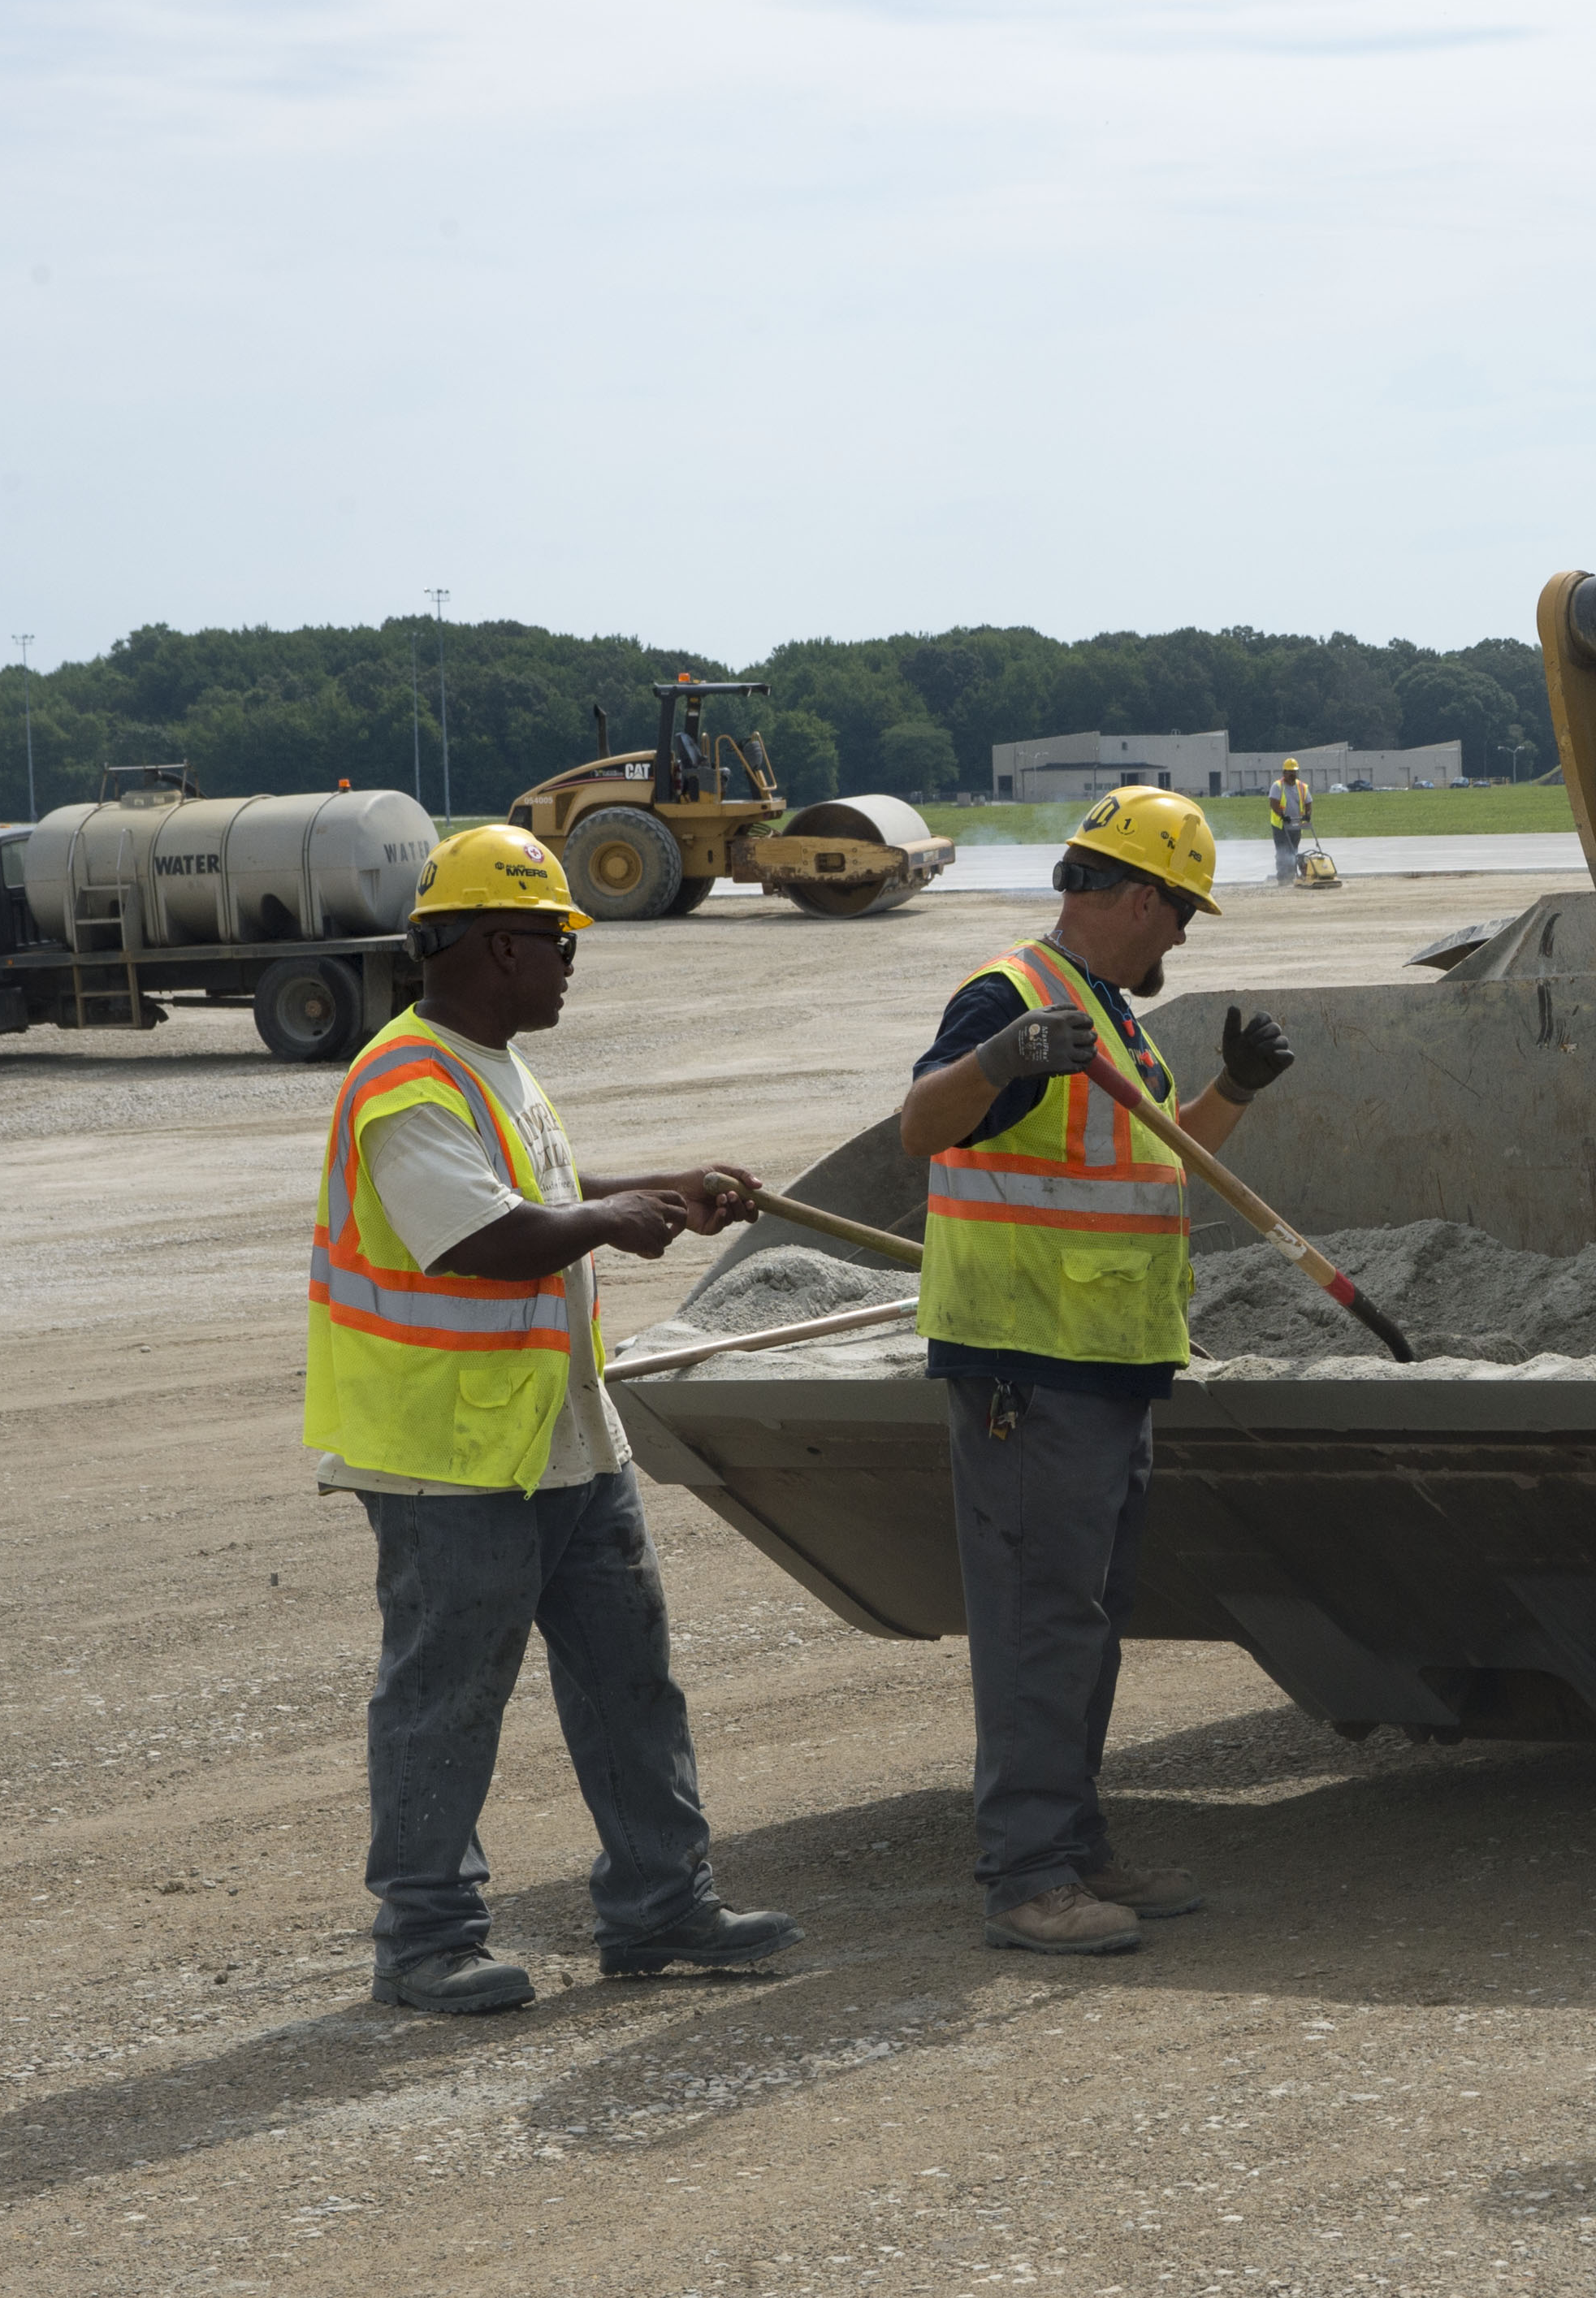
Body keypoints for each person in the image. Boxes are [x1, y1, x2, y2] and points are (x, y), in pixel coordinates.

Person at [305, 824, 801, 2015]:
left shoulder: (493, 1064)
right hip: (451, 1454)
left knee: (632, 1677)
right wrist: (610, 1217)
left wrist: (657, 1190)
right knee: (446, 1695)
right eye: (557, 940)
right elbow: (482, 1238)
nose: (573, 960)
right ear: (492, 945)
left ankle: (660, 1903)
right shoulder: (405, 1079)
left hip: (560, 1439)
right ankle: (425, 1939)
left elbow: (533, 1197)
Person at [897, 785, 1296, 1957]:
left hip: (1109, 1361)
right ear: (1130, 897)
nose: (1181, 936)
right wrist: (1002, 1057)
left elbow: (1159, 1164)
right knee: (1037, 1620)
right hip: (1032, 1360)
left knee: (1084, 1618)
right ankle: (1028, 1876)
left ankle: (1071, 1842)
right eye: (1179, 913)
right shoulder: (1014, 998)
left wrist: (1233, 1091)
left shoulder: (1107, 1012)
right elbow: (921, 1126)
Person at [1266, 758, 1313, 886]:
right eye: (1290, 772)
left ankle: (1292, 876)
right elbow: (1274, 803)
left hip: (1296, 825)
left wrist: (1307, 815)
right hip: (1280, 826)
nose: (1293, 774)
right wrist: (1282, 815)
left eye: (1295, 772)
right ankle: (1283, 878)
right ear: (1284, 773)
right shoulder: (1277, 786)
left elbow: (1308, 803)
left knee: (1294, 851)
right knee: (1283, 851)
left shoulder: (1302, 787)